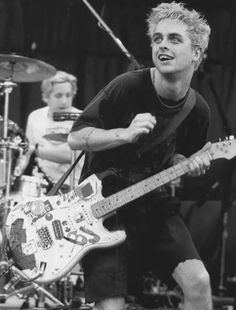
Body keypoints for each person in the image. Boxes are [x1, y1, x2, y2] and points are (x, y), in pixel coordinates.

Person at [68, 2, 212, 310]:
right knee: (112, 306)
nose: (163, 45)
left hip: (154, 206)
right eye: (157, 38)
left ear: (197, 54)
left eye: (175, 39)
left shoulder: (198, 110)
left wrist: (189, 165)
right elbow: (76, 137)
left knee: (199, 283)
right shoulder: (128, 86)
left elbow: (176, 159)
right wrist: (124, 133)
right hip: (104, 210)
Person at [14, 70, 84, 192]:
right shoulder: (35, 117)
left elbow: (73, 156)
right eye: (58, 95)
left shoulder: (82, 118)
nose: (64, 101)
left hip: (73, 188)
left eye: (68, 95)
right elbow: (26, 154)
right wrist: (15, 175)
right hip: (42, 186)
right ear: (46, 97)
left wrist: (35, 150)